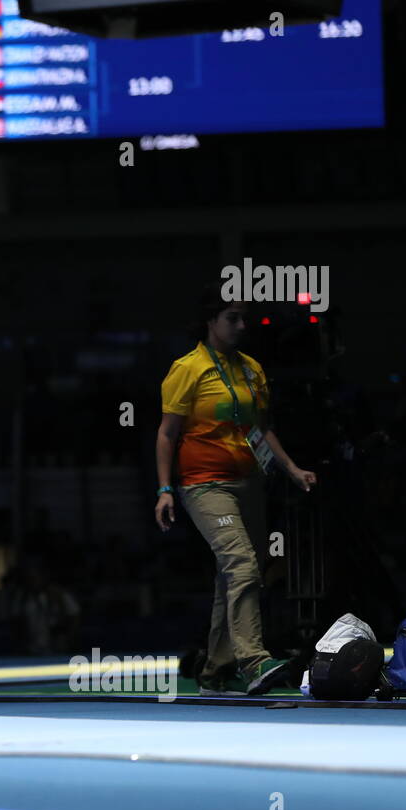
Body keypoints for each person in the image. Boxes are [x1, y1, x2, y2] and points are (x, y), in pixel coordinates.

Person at [155, 288, 318, 697]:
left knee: (235, 577)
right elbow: (167, 433)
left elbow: (262, 430)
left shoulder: (251, 370)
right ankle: (254, 660)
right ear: (211, 321)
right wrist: (164, 489)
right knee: (242, 565)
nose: (242, 326)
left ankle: (214, 672)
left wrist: (293, 469)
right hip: (204, 484)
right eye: (233, 318)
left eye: (244, 319)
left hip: (249, 483)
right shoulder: (187, 369)